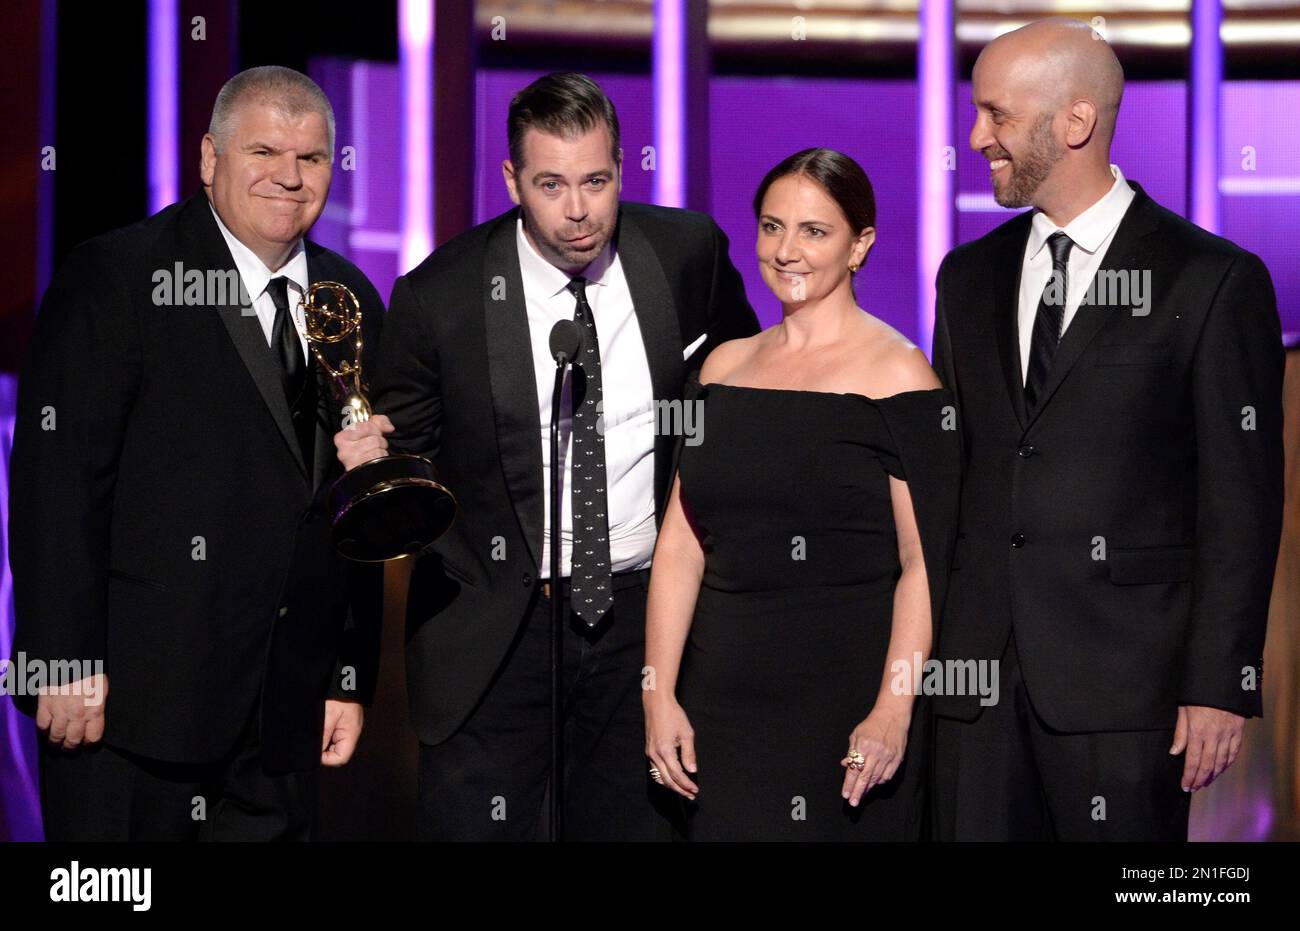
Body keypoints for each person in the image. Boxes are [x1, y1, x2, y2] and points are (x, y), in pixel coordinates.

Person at [335, 72, 759, 840]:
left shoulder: (685, 251)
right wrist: (377, 462)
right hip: (498, 627)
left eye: (597, 181)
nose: (577, 210)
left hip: (643, 617)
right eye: (551, 184)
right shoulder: (441, 297)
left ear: (622, 168)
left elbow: (744, 383)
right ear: (512, 180)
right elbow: (411, 460)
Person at [930, 19, 1284, 841]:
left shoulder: (1212, 279)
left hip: (1132, 688)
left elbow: (1242, 503)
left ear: (1075, 122)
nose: (976, 136)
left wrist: (1219, 682)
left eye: (997, 115)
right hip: (973, 680)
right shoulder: (967, 275)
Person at [9, 66, 383, 841]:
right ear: (209, 158)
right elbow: (57, 483)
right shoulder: (116, 276)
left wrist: (347, 673)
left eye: (311, 158)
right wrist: (60, 661)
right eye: (265, 151)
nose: (289, 175)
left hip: (280, 721)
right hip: (130, 713)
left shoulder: (349, 299)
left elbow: (356, 510)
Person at [642, 148, 959, 840]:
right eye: (771, 226)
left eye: (814, 231)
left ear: (860, 244)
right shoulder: (723, 367)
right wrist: (658, 692)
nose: (786, 250)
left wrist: (892, 710)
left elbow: (924, 562)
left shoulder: (901, 376)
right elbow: (680, 545)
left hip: (845, 709)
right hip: (718, 709)